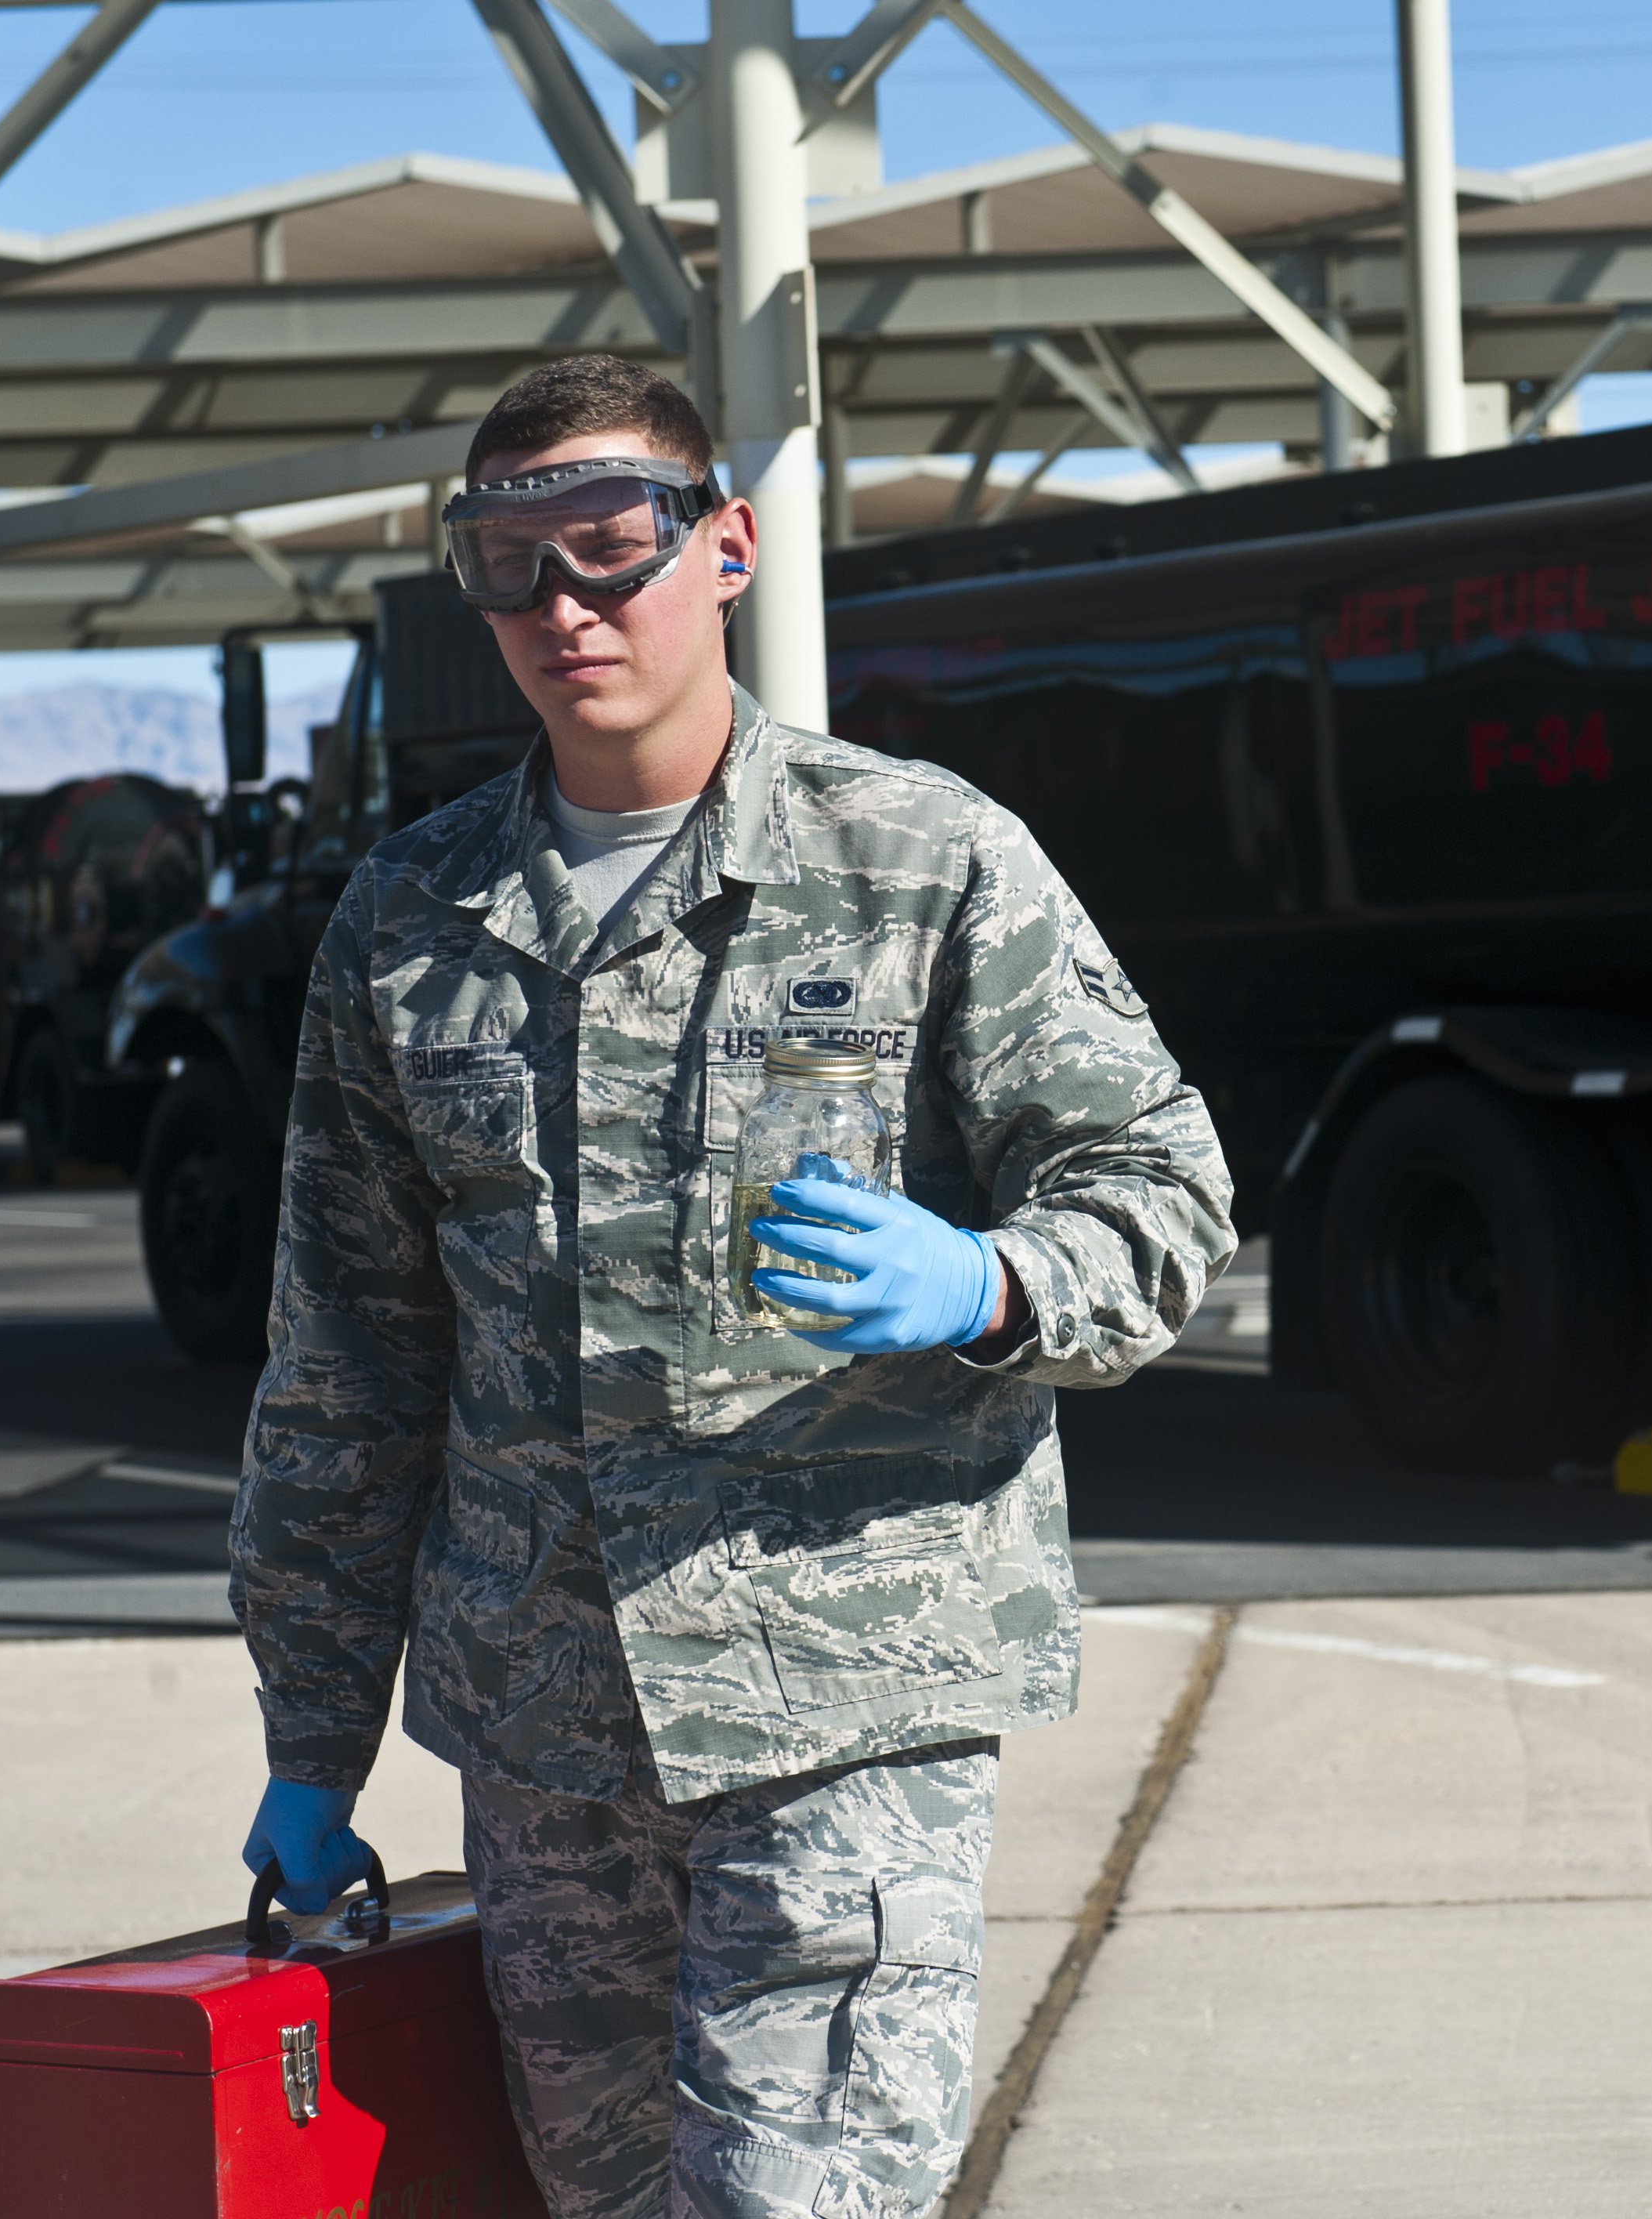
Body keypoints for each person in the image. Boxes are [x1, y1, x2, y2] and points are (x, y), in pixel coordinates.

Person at [227, 353, 1234, 2219]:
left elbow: (1160, 1195)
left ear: (728, 548)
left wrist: (992, 1282)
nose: (564, 605)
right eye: (508, 563)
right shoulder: (412, 922)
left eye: (609, 544)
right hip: (547, 1745)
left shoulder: (922, 859)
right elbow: (349, 1360)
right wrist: (312, 1740)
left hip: (843, 1703)